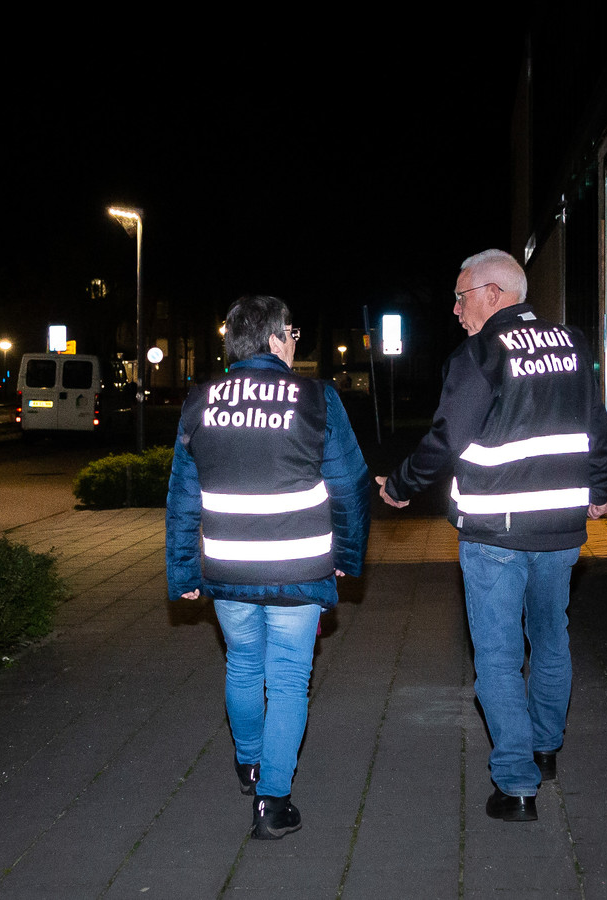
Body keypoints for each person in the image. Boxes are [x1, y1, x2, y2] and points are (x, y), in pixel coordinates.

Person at [376, 249, 607, 823]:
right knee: (551, 639)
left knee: (500, 658)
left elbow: (447, 437)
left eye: (461, 297)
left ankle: (517, 787)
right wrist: (600, 489)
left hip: (494, 534)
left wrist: (403, 485)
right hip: (559, 527)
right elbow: (596, 425)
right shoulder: (573, 345)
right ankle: (545, 749)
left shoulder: (479, 354)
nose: (456, 311)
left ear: (495, 293)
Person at [166, 295, 370, 840]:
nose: (296, 342)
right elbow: (350, 484)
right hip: (300, 566)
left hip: (229, 569)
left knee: (241, 666)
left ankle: (249, 763)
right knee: (287, 680)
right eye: (293, 333)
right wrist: (347, 558)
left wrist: (184, 573)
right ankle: (272, 802)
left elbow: (184, 493)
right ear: (277, 338)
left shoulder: (201, 399)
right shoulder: (316, 397)